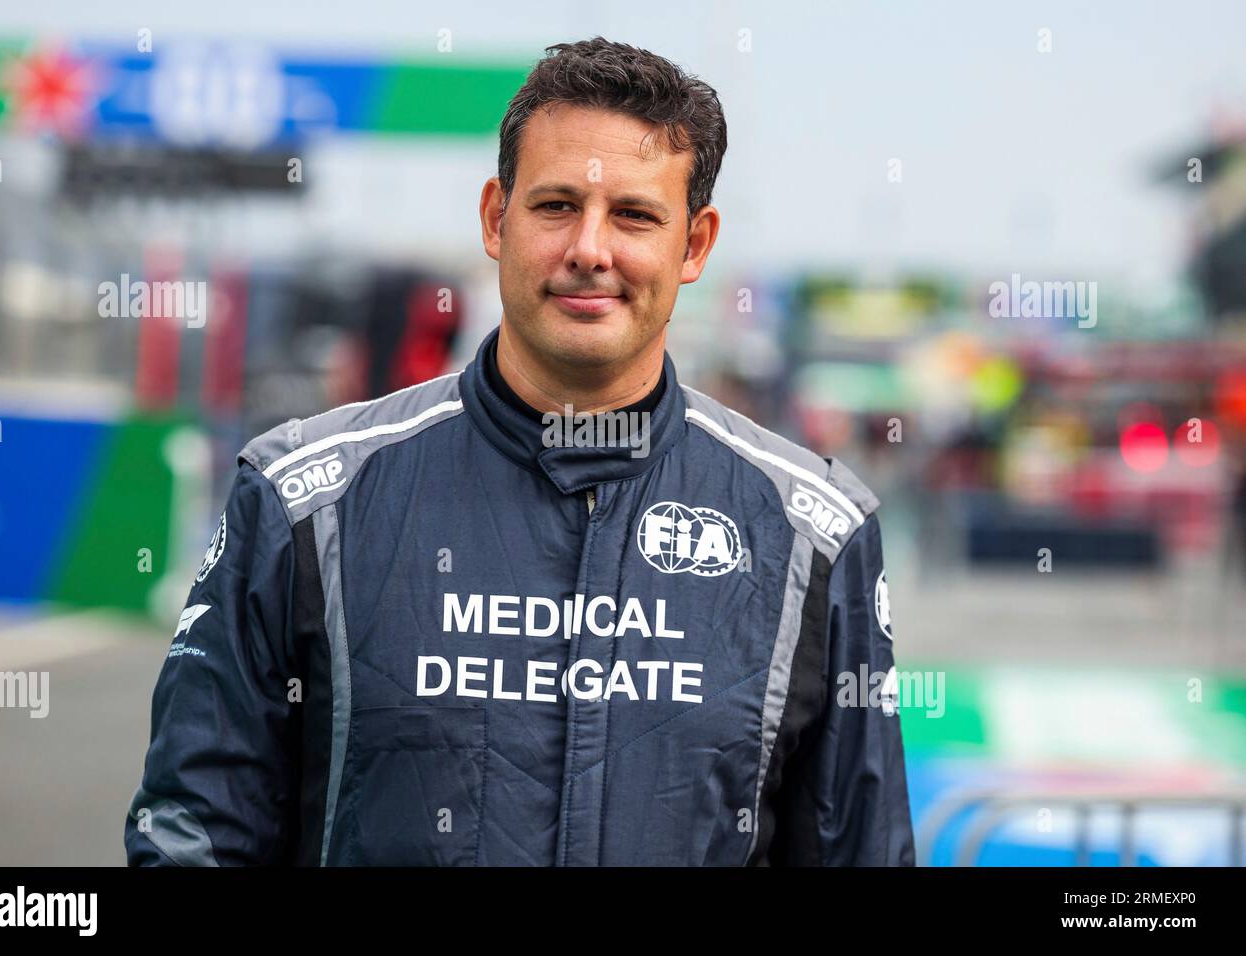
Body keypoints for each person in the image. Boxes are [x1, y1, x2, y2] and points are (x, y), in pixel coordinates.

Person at [125, 36, 915, 867]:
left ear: (695, 246)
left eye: (635, 215)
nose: (589, 249)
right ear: (496, 219)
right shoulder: (302, 502)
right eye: (557, 206)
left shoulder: (814, 535)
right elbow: (194, 838)